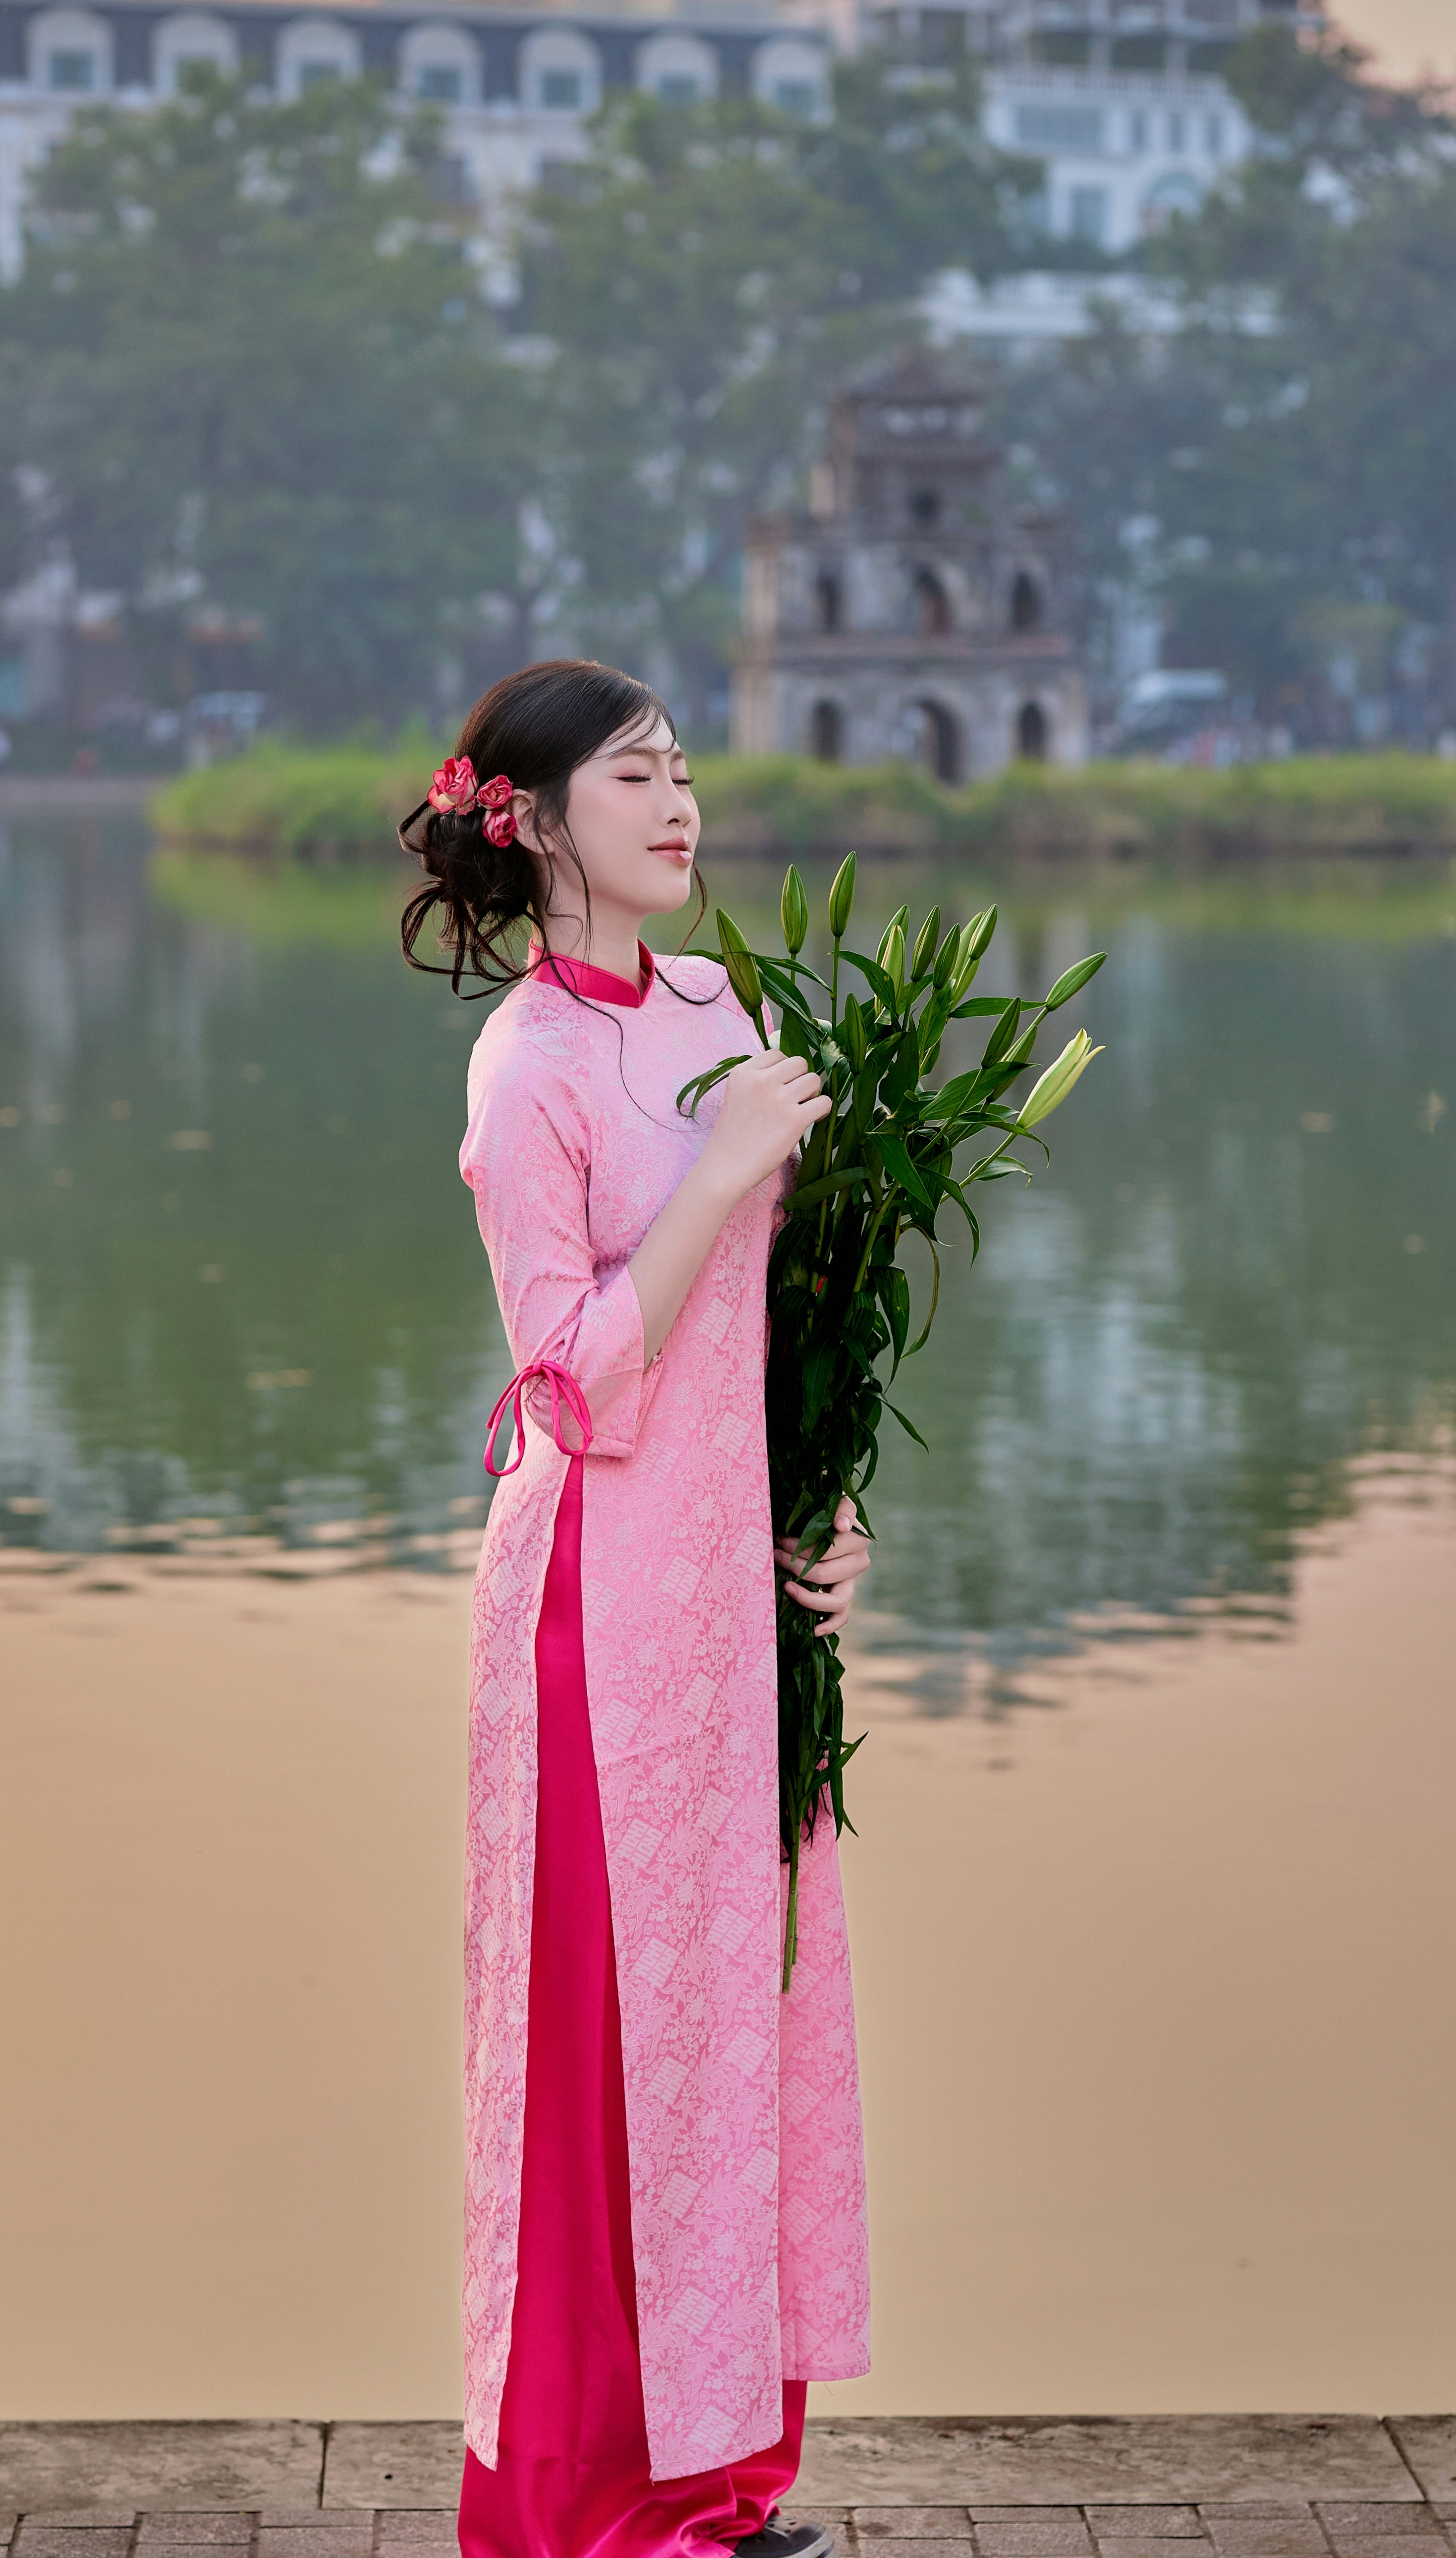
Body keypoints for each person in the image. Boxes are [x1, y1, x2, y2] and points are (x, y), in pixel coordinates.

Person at [400, 660, 872, 2558]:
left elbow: (765, 1319)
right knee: (607, 2052)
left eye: (682, 768)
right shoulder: (521, 1065)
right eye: (633, 773)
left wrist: (820, 1513)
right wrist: (733, 1160)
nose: (678, 802)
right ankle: (589, 2507)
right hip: (591, 1598)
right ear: (531, 816)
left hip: (723, 1590)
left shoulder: (707, 1004)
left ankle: (724, 2480)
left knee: (730, 2022)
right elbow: (573, 1373)